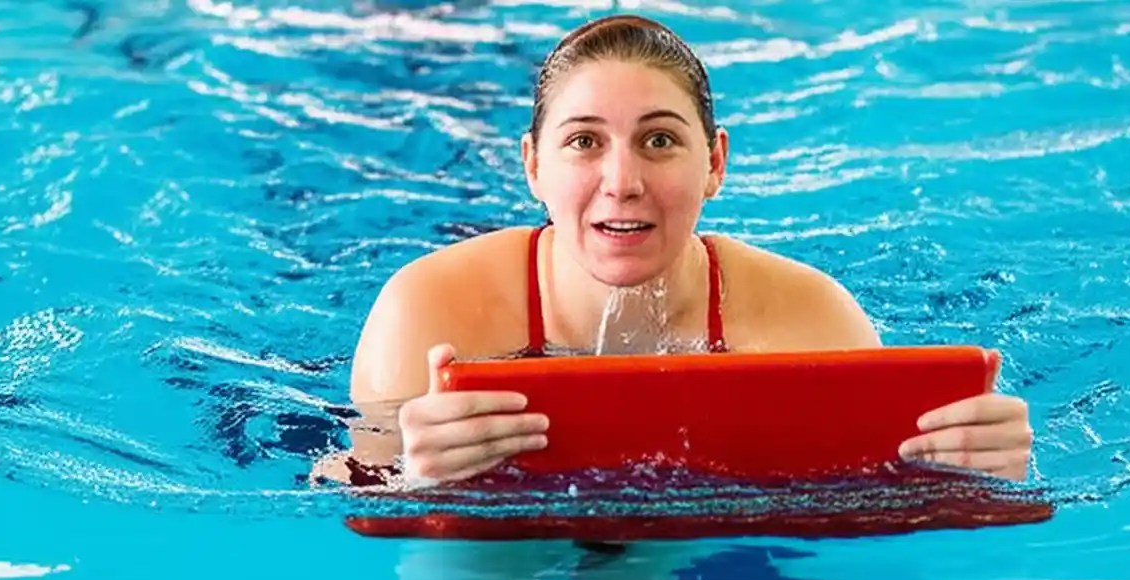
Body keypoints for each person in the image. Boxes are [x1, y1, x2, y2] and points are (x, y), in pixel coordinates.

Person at [317, 13, 1034, 487]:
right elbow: (339, 485)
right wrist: (409, 479)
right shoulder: (429, 311)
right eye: (584, 142)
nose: (622, 183)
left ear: (715, 163)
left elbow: (874, 514)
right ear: (533, 166)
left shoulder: (805, 321)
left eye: (659, 140)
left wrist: (980, 472)